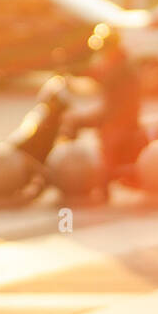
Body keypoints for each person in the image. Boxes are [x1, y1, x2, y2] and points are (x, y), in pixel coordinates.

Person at [61, 26, 148, 191]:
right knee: (74, 119)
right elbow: (95, 75)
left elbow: (98, 76)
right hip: (117, 113)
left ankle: (97, 183)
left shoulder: (118, 66)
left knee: (74, 121)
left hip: (117, 117)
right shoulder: (120, 62)